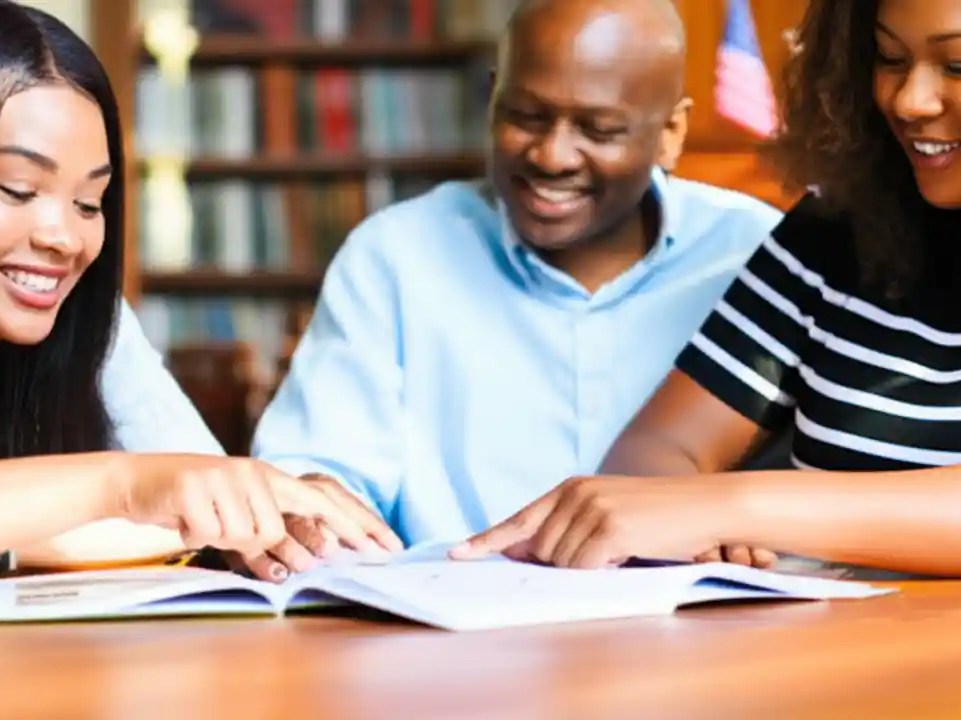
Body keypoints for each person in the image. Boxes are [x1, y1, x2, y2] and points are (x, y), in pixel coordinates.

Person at [454, 0, 961, 578]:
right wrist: (694, 527)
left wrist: (739, 507)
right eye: (889, 58)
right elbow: (657, 451)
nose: (908, 100)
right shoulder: (837, 228)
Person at [0, 0, 386, 601]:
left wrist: (282, 514)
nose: (64, 239)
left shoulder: (89, 320)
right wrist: (116, 487)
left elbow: (196, 494)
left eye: (89, 203)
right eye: (18, 190)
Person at [252, 0, 783, 551]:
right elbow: (322, 468)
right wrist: (311, 508)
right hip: (448, 599)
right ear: (492, 100)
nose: (552, 156)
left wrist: (745, 536)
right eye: (526, 117)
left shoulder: (756, 257)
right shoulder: (395, 255)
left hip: (697, 603)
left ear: (670, 132)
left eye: (599, 130)